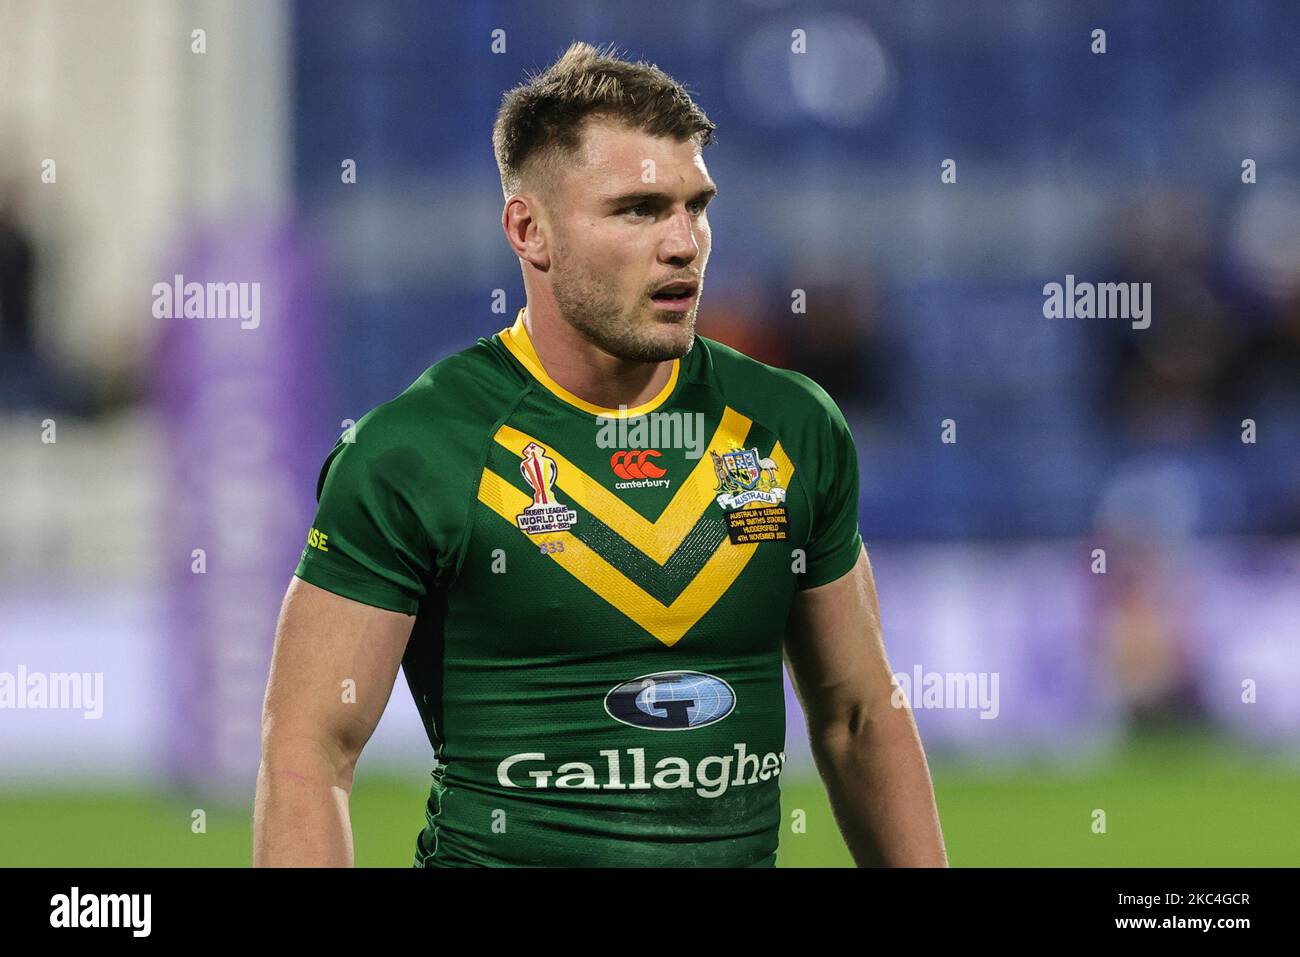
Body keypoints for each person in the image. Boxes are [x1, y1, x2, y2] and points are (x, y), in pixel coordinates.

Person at [254, 41, 946, 868]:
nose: (685, 243)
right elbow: (306, 752)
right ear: (529, 231)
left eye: (697, 205)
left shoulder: (790, 427)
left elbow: (860, 715)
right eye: (639, 209)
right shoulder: (416, 451)